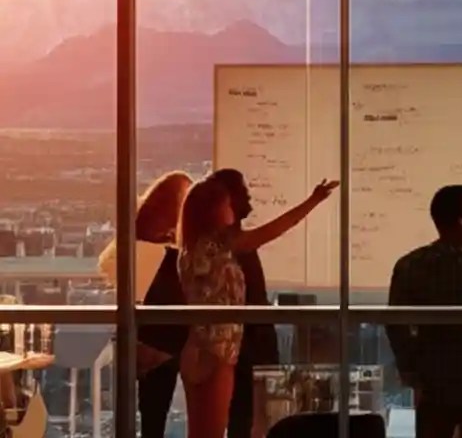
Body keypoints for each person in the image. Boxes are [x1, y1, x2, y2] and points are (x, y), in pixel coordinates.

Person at [177, 175, 338, 438]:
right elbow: (274, 229)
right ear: (213, 210)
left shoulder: (192, 249)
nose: (233, 209)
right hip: (218, 349)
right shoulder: (220, 247)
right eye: (227, 204)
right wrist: (313, 201)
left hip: (199, 345)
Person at [387, 185, 462, 438]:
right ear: (461, 220)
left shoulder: (410, 265)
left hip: (432, 381)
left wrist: (413, 371)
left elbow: (395, 325)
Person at [98, 171, 194, 438]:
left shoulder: (135, 242)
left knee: (150, 415)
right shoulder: (165, 252)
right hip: (163, 341)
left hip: (147, 339)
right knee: (156, 415)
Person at [207, 168, 285, 438]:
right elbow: (274, 230)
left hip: (252, 338)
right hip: (249, 341)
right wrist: (314, 200)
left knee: (252, 416)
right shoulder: (230, 242)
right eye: (243, 191)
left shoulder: (220, 243)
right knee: (249, 417)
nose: (249, 196)